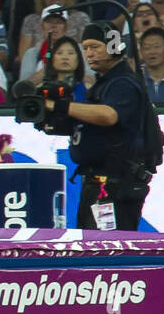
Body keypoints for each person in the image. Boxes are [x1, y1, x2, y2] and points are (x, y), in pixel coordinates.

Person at [60, 21, 155, 229]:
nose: (89, 53)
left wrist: (64, 107)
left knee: (107, 250)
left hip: (115, 186)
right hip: (98, 183)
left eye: (94, 46)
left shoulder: (123, 83)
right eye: (85, 48)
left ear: (113, 46)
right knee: (90, 249)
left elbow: (109, 115)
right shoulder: (102, 84)